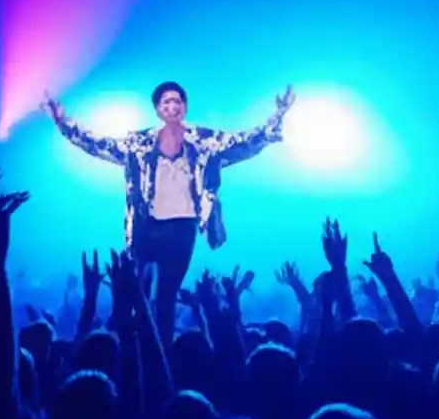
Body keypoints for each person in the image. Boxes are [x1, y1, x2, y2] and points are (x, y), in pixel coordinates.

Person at [42, 81, 294, 340]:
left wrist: (278, 115)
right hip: (144, 226)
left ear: (184, 106)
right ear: (157, 109)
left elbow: (245, 142)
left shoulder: (205, 142)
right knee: (138, 292)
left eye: (177, 102)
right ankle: (134, 348)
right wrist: (63, 121)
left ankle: (162, 351)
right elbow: (97, 144)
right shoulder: (138, 144)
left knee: (166, 296)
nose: (173, 107)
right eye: (166, 102)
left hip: (182, 228)